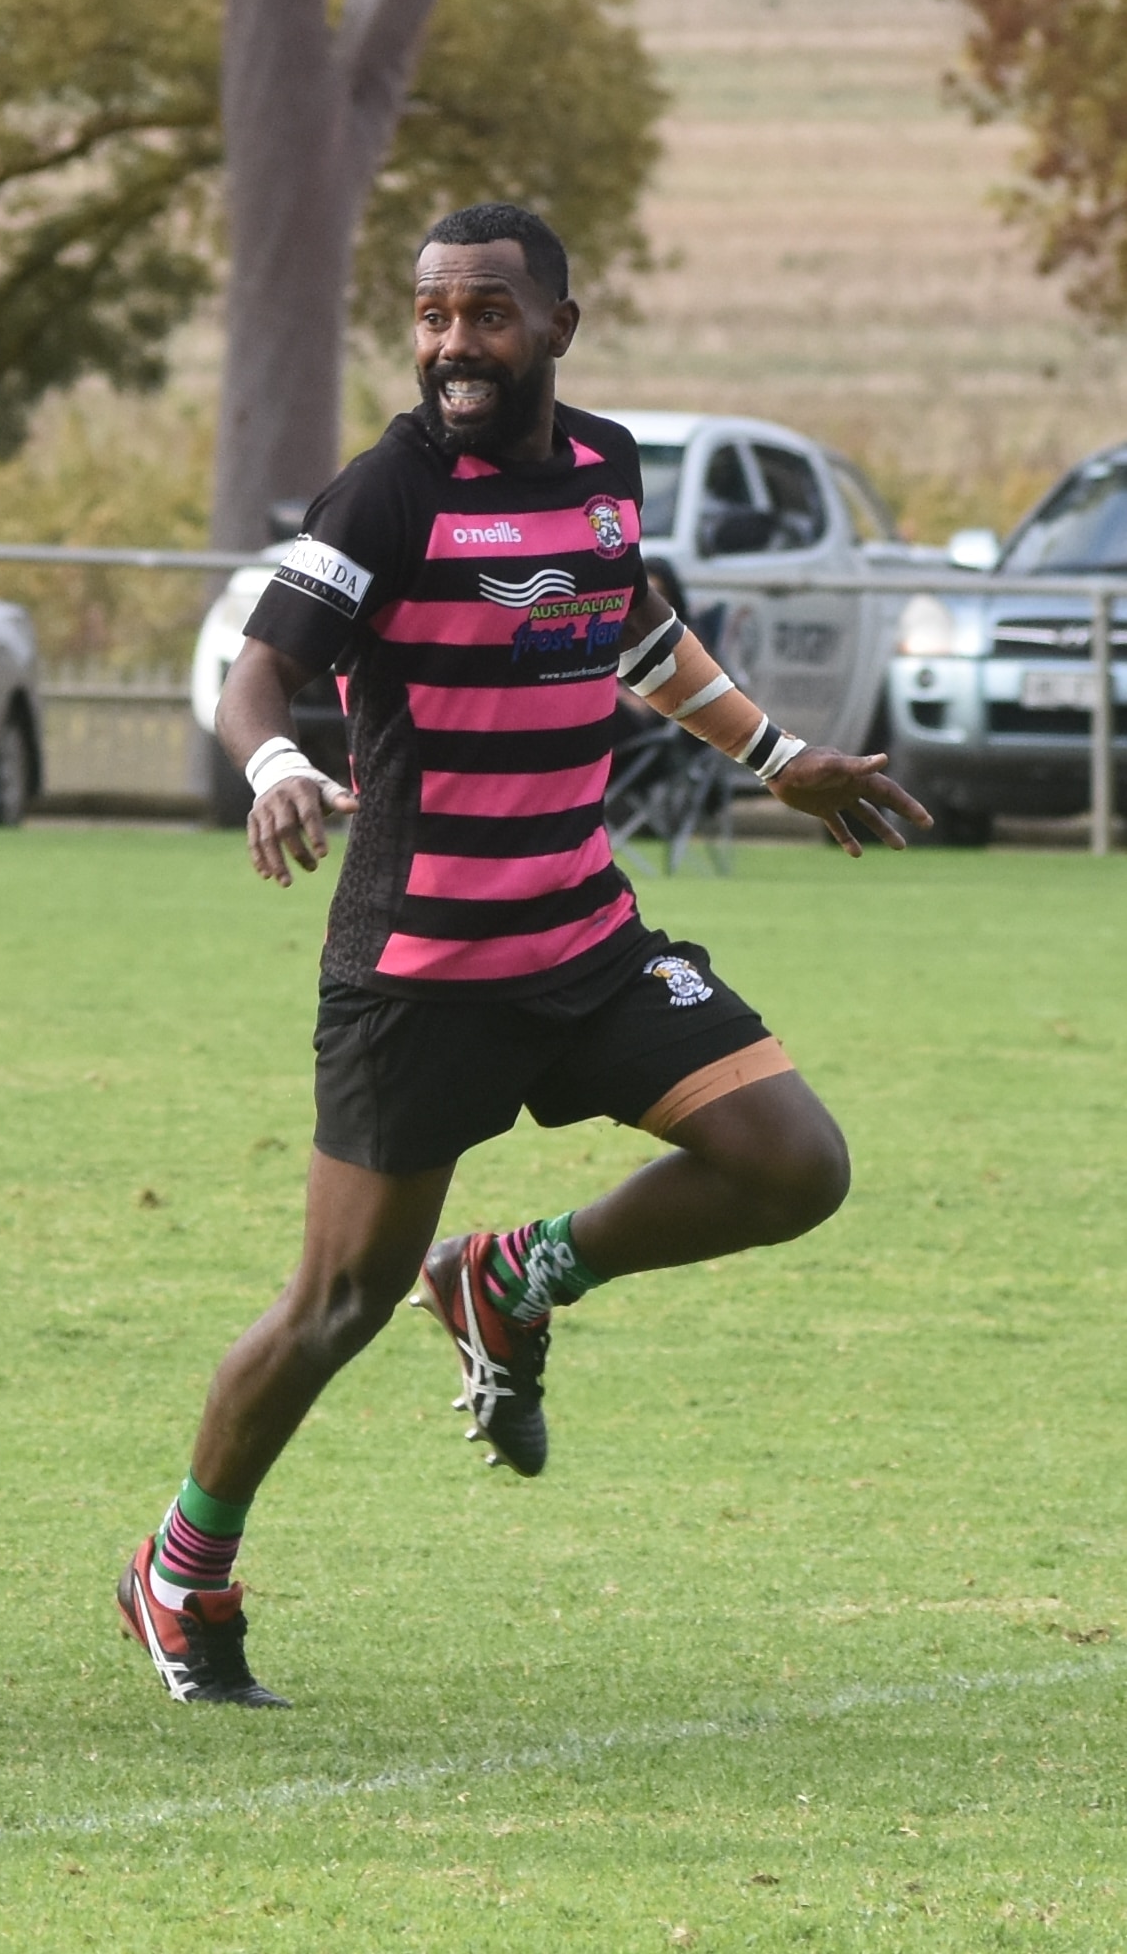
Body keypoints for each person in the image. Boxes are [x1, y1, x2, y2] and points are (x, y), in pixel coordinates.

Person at [117, 204, 930, 1707]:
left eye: (483, 314)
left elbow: (626, 625)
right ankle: (180, 1568)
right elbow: (260, 670)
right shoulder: (381, 495)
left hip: (581, 935)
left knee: (788, 1163)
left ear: (558, 323)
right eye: (429, 316)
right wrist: (269, 768)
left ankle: (510, 1277)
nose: (449, 346)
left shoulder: (604, 469)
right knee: (333, 1310)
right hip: (419, 967)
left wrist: (771, 753)